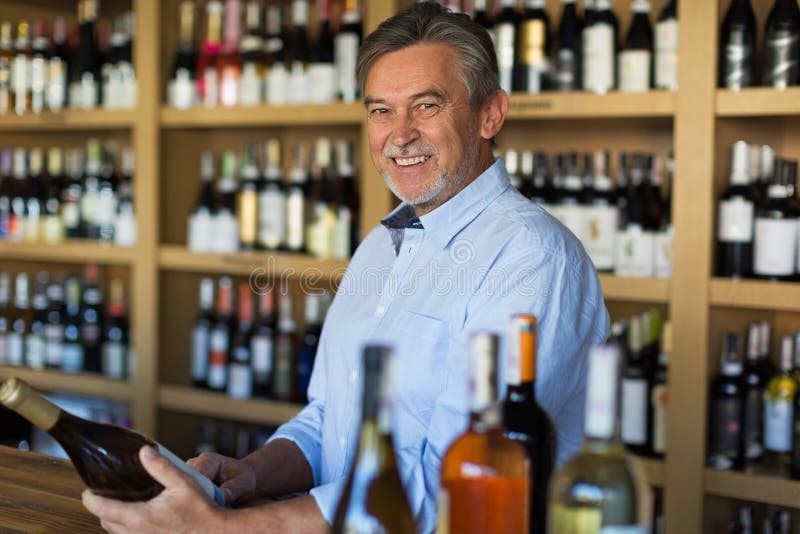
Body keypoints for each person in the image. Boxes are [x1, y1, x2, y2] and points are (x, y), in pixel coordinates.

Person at [82, 3, 609, 532]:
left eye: (426, 105)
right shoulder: (381, 245)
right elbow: (328, 420)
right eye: (381, 111)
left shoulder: (533, 259)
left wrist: (223, 529)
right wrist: (250, 475)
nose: (399, 135)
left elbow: (454, 483)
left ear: (490, 113)